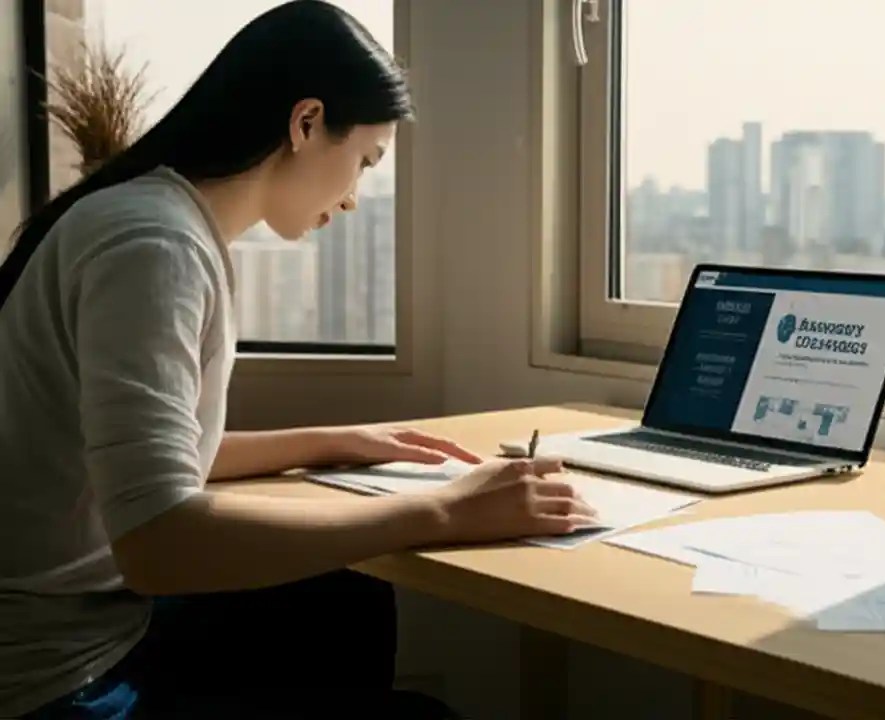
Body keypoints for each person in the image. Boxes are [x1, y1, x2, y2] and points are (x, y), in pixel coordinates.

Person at [0, 1, 596, 717]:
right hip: (63, 678)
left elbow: (144, 462)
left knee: (342, 600)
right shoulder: (153, 246)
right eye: (365, 162)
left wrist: (335, 443)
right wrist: (442, 511)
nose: (352, 199)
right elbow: (157, 542)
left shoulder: (153, 220)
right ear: (306, 122)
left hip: (93, 626)